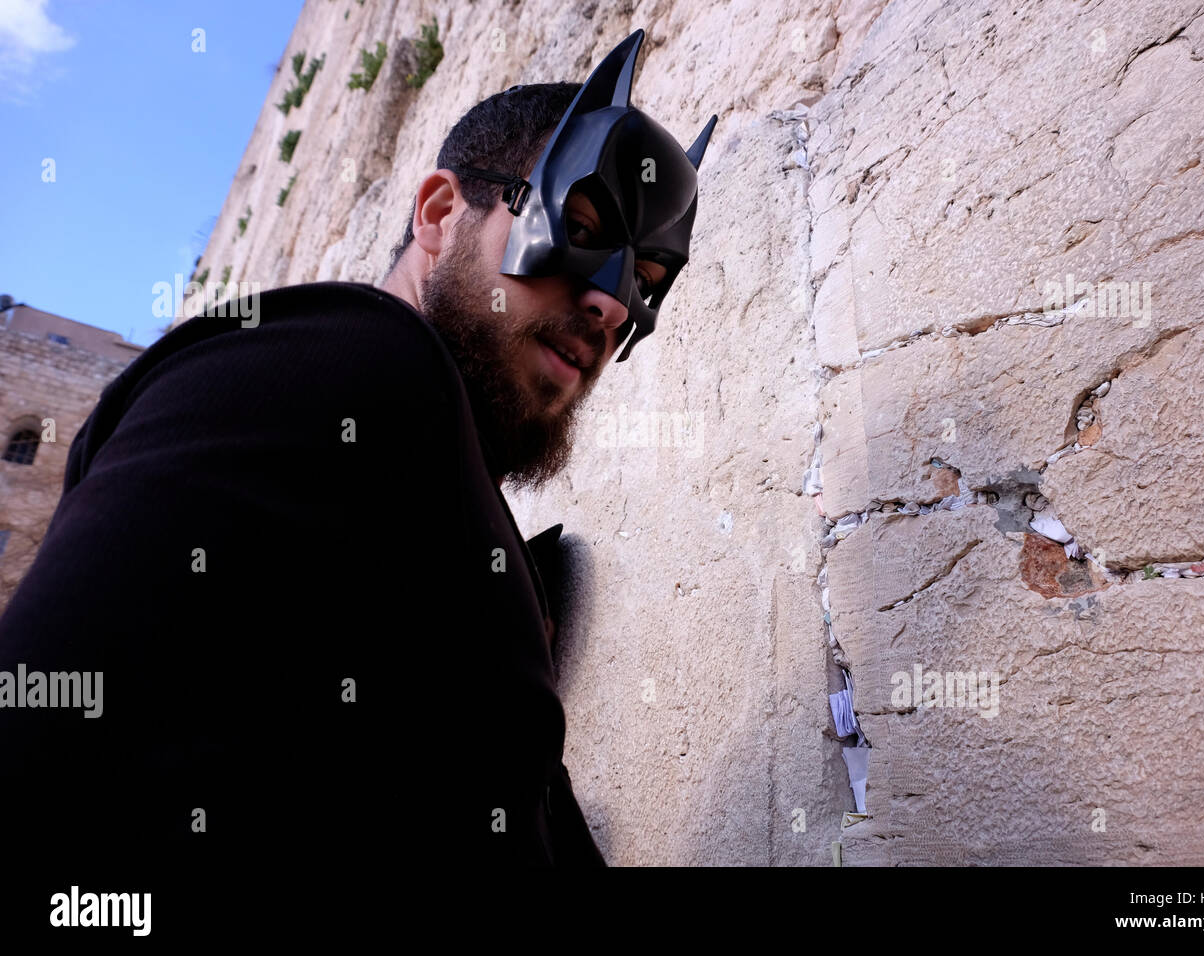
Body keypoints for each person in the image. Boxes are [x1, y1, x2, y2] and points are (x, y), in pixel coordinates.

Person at [0, 29, 714, 877]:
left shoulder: (411, 453)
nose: (609, 303)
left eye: (643, 284)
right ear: (443, 213)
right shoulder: (353, 357)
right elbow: (44, 740)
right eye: (584, 226)